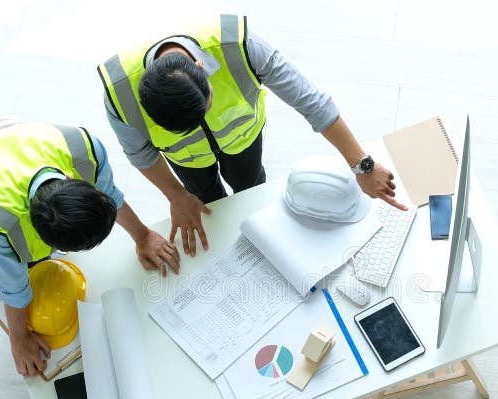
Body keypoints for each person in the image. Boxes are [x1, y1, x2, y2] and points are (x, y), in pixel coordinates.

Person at [98, 14, 405, 258]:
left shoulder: (239, 45)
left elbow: (312, 102)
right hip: (187, 161)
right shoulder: (120, 94)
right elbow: (141, 154)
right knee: (206, 202)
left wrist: (361, 165)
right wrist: (176, 197)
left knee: (251, 186)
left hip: (244, 141)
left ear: (201, 67)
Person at [0, 119, 180, 377]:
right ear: (45, 238)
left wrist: (143, 236)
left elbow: (109, 193)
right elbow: (11, 285)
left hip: (13, 136)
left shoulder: (85, 151)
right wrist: (19, 339)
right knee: (19, 266)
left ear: (74, 179)